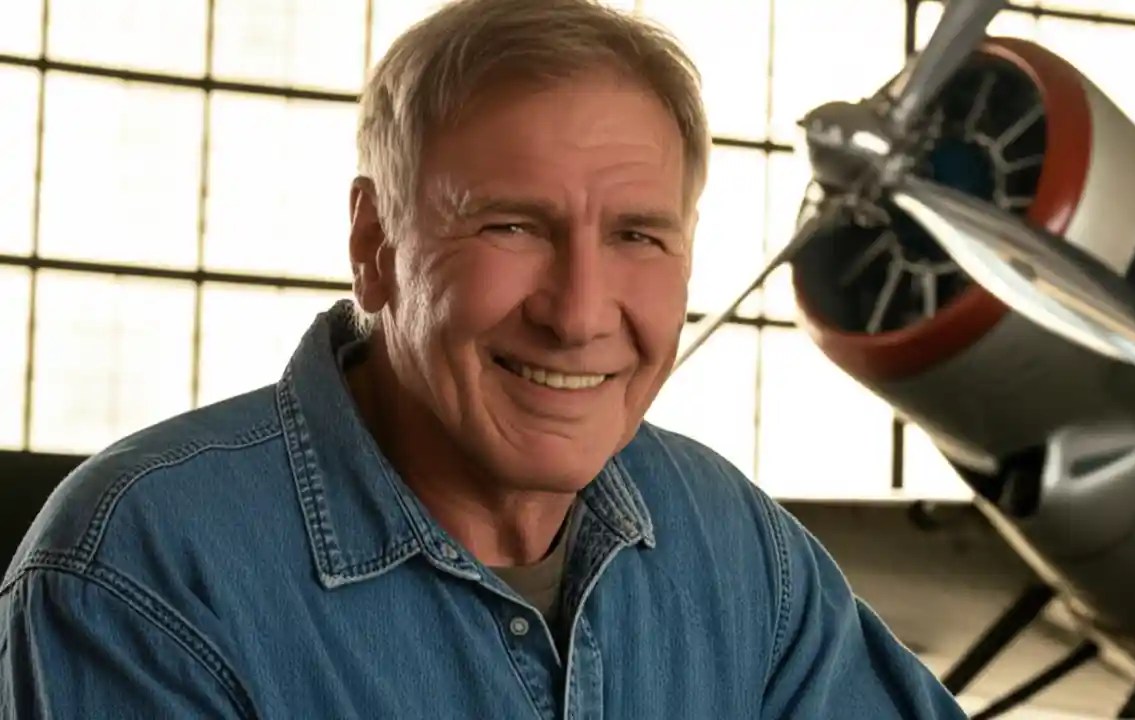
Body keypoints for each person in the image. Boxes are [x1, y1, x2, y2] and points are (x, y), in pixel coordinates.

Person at [0, 0, 967, 717]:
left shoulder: (736, 546)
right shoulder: (143, 567)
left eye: (637, 236)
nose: (578, 315)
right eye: (512, 226)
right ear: (374, 246)